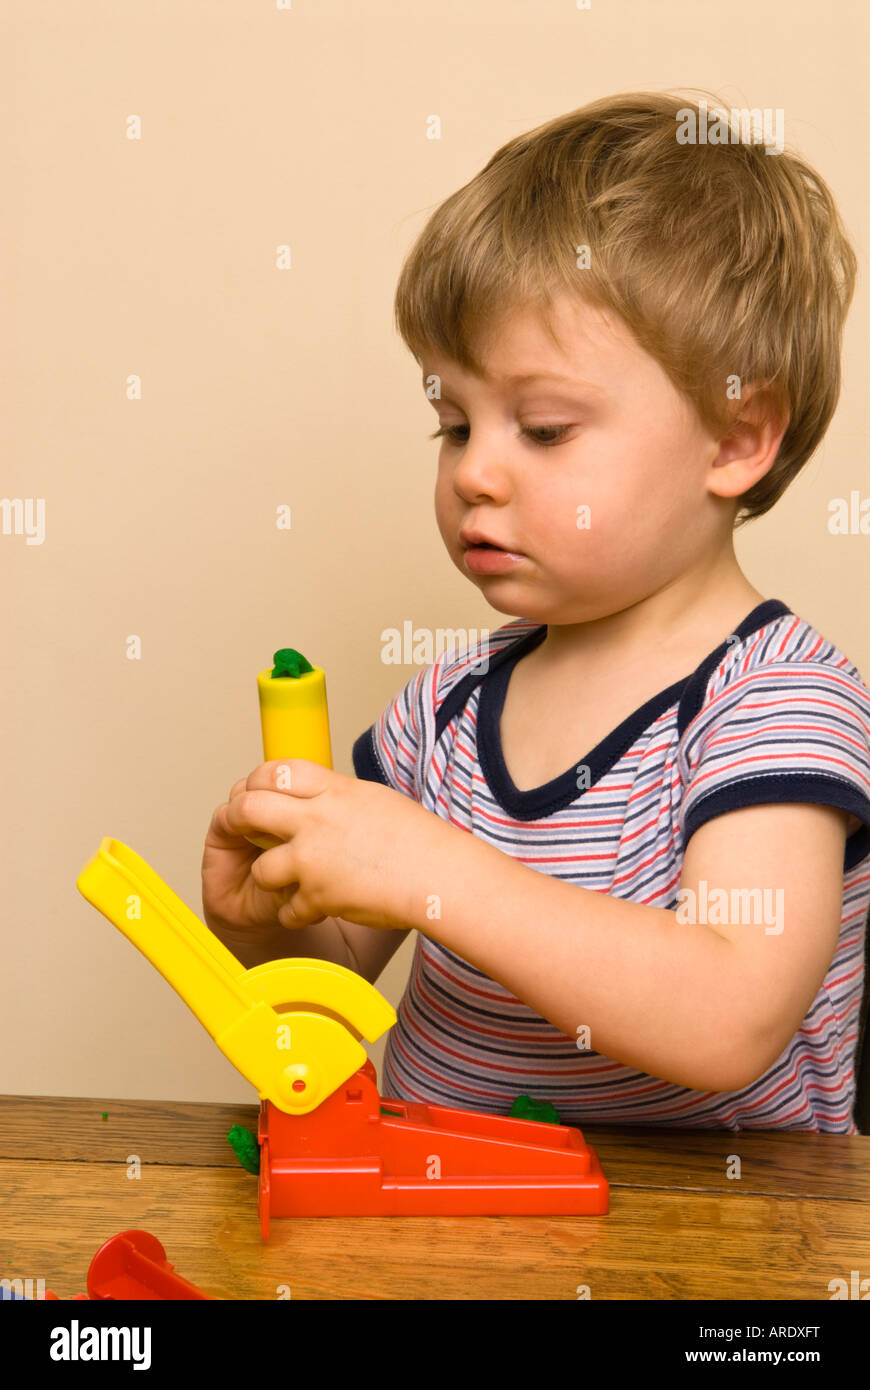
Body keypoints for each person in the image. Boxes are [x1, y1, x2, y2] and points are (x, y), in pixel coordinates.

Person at [202, 91, 870, 1131]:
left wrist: (438, 877)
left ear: (738, 438)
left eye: (545, 429)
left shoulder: (779, 701)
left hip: (711, 1257)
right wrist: (266, 930)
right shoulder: (445, 708)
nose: (476, 473)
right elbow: (327, 1012)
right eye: (454, 425)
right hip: (446, 1248)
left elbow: (729, 1017)